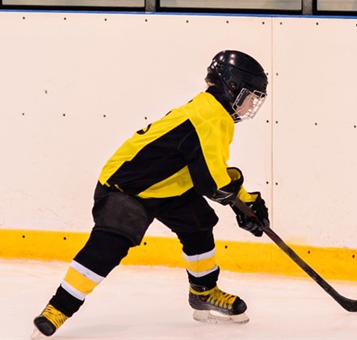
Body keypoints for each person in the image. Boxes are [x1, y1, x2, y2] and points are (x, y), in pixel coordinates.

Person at [31, 50, 270, 338]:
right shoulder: (211, 116)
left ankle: (204, 292)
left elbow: (211, 169)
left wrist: (246, 202)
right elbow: (213, 183)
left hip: (166, 186)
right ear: (231, 86)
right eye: (247, 97)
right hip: (128, 188)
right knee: (110, 245)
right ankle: (57, 309)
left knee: (198, 224)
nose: (248, 106)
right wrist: (245, 205)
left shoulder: (213, 111)